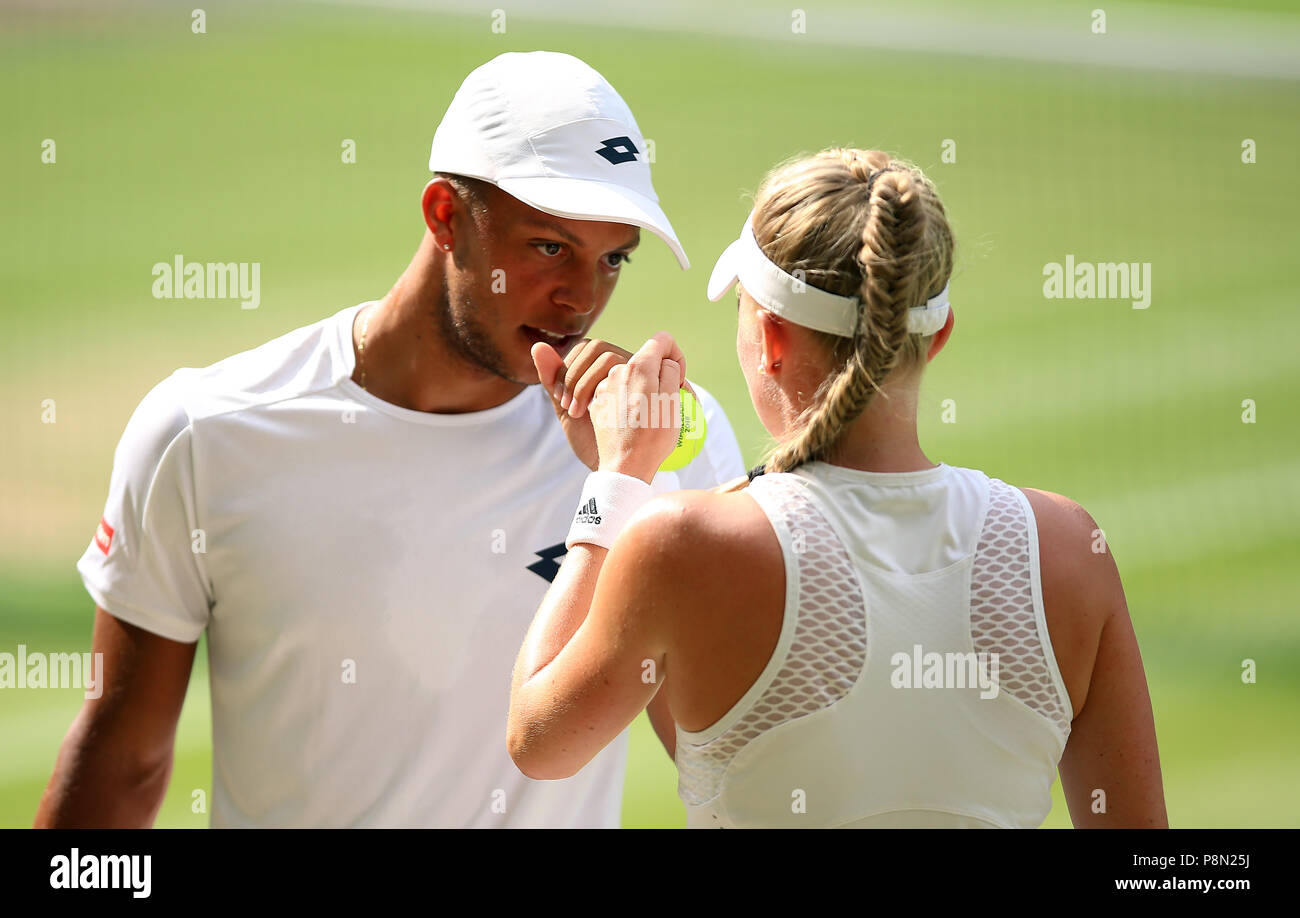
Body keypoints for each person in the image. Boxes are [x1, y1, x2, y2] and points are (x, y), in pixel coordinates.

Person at [35, 51, 745, 828]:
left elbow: (719, 762)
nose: (582, 297)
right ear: (445, 215)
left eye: (612, 258)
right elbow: (123, 767)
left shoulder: (660, 449)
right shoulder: (205, 433)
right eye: (549, 247)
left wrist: (627, 490)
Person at [508, 148, 1168, 828]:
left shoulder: (680, 544)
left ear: (769, 336)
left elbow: (538, 741)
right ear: (937, 335)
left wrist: (617, 478)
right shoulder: (1070, 548)